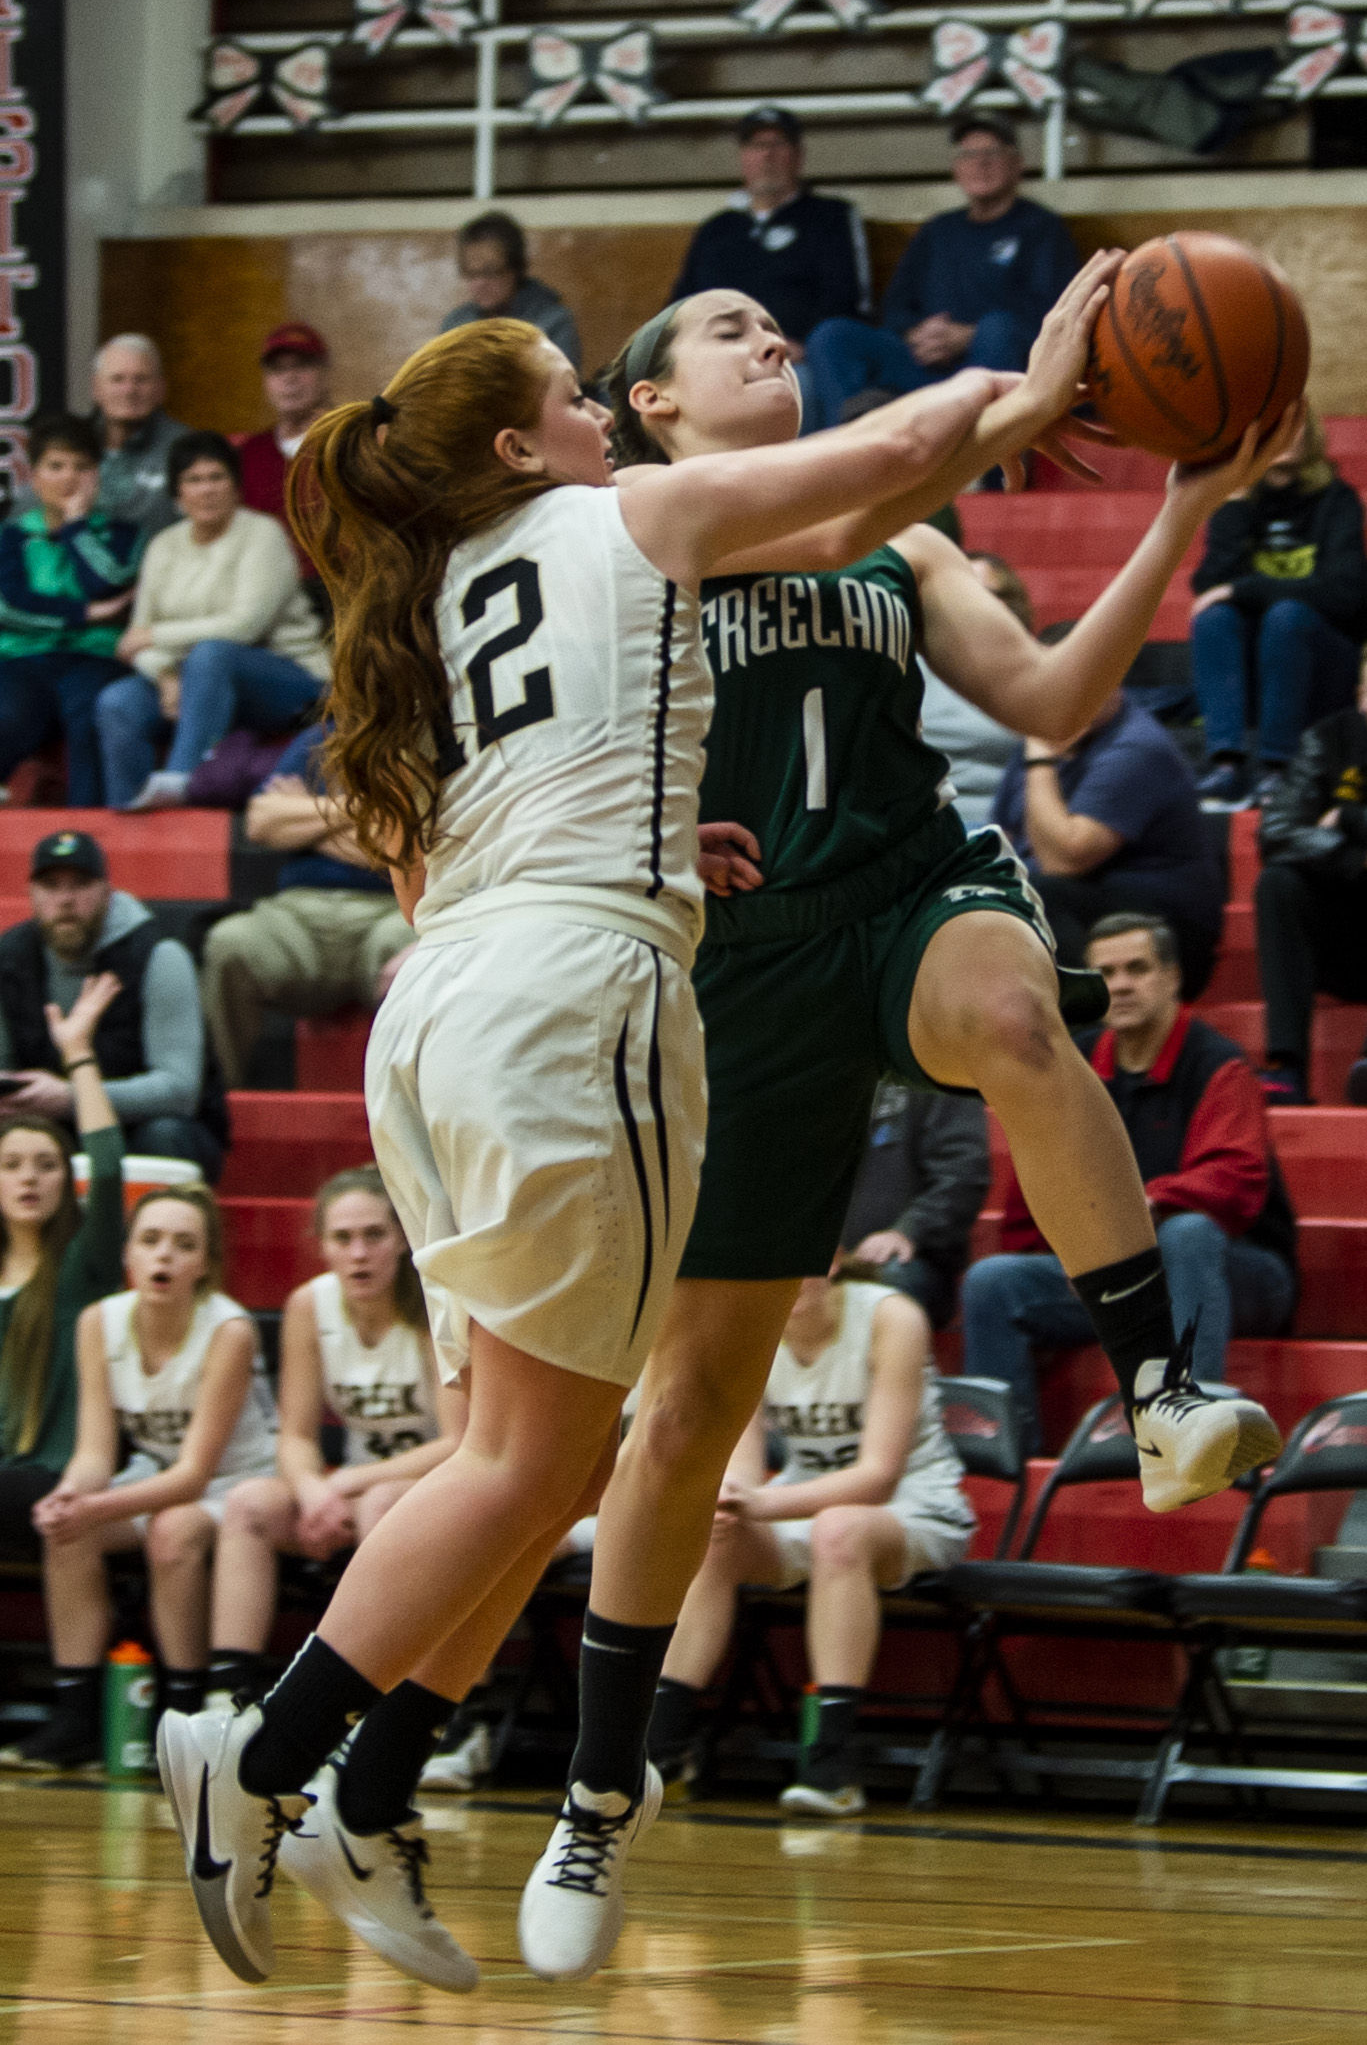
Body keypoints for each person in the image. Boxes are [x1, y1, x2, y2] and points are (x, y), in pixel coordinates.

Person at [153, 307, 1024, 1994]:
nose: (597, 419)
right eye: (570, 397)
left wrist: (650, 836)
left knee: (532, 1457)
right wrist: (1036, 385)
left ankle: (367, 1793)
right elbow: (868, 490)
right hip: (572, 1009)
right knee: (526, 1463)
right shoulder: (600, 518)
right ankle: (264, 1756)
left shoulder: (421, 601)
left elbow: (441, 853)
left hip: (442, 1020)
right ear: (518, 442)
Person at [511, 284, 1295, 1986]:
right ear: (648, 407)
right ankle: (595, 1781)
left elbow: (1044, 703)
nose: (764, 335)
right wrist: (1042, 388)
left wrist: (1180, 503)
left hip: (904, 888)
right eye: (723, 326)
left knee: (1016, 1014)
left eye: (775, 321)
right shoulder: (633, 531)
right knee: (691, 1416)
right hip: (741, 964)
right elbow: (892, 462)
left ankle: (1162, 1391)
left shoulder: (900, 543)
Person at [960, 913, 1298, 1455]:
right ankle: (1004, 1462)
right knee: (993, 1282)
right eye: (1105, 973)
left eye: (1136, 969)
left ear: (1172, 978)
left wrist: (1143, 1207)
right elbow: (1036, 1189)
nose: (1119, 984)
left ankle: (1190, 1436)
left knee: (1186, 1234)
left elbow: (1234, 1180)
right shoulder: (1071, 1069)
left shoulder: (1219, 1065)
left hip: (1236, 1270)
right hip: (1118, 1277)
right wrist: (1078, 1253)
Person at [648, 1270, 974, 1815]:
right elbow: (744, 1465)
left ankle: (830, 1766)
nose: (794, 1278)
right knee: (715, 1534)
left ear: (834, 1261)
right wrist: (732, 1498)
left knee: (839, 1530)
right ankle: (661, 1755)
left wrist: (761, 1504)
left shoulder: (891, 1317)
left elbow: (878, 1477)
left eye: (808, 1264)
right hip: (804, 1501)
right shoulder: (748, 1322)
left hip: (914, 1505)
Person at [0, 1183, 277, 1770]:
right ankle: (75, 1712)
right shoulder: (99, 1321)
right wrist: (73, 1494)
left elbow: (195, 1475)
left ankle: (181, 1713)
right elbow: (96, 1450)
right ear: (128, 1253)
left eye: (184, 1245)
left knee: (172, 1531)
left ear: (204, 1264)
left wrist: (95, 1507)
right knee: (65, 1528)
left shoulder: (229, 1330)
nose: (165, 1257)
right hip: (156, 1472)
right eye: (150, 1241)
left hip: (239, 1481)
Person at [206, 1167, 466, 1708]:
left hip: (428, 1488)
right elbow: (296, 1437)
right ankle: (228, 1695)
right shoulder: (309, 1305)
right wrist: (314, 1493)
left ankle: (388, 1699)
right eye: (342, 1238)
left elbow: (458, 1443)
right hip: (347, 1493)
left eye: (374, 1235)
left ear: (401, 1239)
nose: (359, 1253)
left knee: (383, 1504)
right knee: (249, 1504)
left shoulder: (432, 1303)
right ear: (322, 1246)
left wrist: (345, 1481)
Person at [95, 431, 330, 811]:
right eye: (193, 480)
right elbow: (133, 641)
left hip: (289, 680)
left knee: (212, 654)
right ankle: (123, 824)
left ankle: (182, 785)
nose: (206, 490)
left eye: (217, 477)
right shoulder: (164, 545)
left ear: (236, 487)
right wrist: (166, 677)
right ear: (177, 494)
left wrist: (157, 636)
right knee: (117, 700)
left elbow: (243, 627)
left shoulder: (263, 534)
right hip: (193, 681)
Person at [804, 114, 1078, 432]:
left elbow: (1052, 312)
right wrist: (917, 334)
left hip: (993, 366)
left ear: (1017, 164)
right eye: (968, 155)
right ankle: (852, 452)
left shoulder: (1042, 228)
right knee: (832, 336)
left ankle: (985, 460)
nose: (980, 164)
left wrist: (968, 335)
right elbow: (895, 305)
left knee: (997, 329)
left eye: (992, 153)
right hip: (924, 362)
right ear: (956, 169)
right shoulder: (938, 230)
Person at [0, 831, 229, 1180]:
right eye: (51, 886)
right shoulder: (8, 959)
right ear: (31, 895)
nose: (65, 900)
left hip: (139, 1128)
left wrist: (70, 1097)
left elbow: (179, 1091)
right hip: (46, 1131)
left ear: (108, 892)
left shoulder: (160, 956)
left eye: (80, 884)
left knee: (164, 1133)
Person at [200, 721, 413, 1088]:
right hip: (297, 916)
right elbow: (261, 821)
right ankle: (221, 1105)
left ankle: (418, 1117)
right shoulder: (323, 738)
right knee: (230, 942)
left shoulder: (426, 740)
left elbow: (405, 848)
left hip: (389, 911)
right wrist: (367, 811)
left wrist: (304, 812)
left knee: (416, 958)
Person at [0, 974, 127, 1561]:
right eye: (13, 1165)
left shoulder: (85, 1265)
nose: (29, 1178)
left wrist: (78, 1054)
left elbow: (105, 1167)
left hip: (55, 1479)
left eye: (46, 1165)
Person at [990, 687, 1223, 999]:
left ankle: (1089, 1023)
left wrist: (1041, 760)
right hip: (1089, 908)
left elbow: (1064, 860)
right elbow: (1002, 839)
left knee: (1039, 895)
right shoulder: (1040, 738)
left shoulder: (1136, 748)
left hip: (1168, 935)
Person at [1191, 407, 1367, 810]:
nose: (1285, 436)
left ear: (1310, 433)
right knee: (1214, 616)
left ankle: (1278, 768)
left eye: (1294, 425)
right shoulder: (1237, 502)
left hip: (1322, 665)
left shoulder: (1337, 501)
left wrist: (1244, 589)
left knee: (1287, 616)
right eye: (1272, 427)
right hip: (1258, 669)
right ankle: (1227, 766)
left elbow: (1346, 593)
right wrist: (1234, 501)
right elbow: (1210, 585)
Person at [669, 108, 870, 420]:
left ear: (798, 155)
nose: (767, 155)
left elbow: (848, 301)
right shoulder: (715, 229)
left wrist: (797, 347)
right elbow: (681, 305)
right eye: (756, 146)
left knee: (792, 390)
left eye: (778, 144)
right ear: (743, 157)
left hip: (795, 359)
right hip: (719, 360)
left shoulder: (832, 217)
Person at [0, 413, 144, 804]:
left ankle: (86, 834)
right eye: (56, 466)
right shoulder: (11, 536)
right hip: (23, 661)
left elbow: (108, 582)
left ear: (97, 474)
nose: (68, 478)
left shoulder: (124, 535)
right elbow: (9, 607)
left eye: (81, 467)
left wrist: (77, 525)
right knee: (7, 716)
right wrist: (85, 614)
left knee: (91, 714)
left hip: (94, 657)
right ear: (34, 476)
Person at [1255, 653, 1367, 1104]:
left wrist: (1351, 817)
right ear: (1361, 693)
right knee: (1278, 884)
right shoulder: (1327, 739)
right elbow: (1278, 833)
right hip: (1342, 940)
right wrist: (1353, 860)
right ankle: (1287, 1069)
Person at [841, 1079, 990, 1336]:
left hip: (913, 1262)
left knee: (889, 1279)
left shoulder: (938, 1067)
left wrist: (908, 1231)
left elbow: (963, 1170)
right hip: (825, 1264)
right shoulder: (815, 1074)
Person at [9, 336, 190, 537]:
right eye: (117, 379)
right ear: (96, 388)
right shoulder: (69, 440)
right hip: (65, 561)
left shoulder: (186, 447)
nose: (129, 390)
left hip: (154, 562)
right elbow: (20, 520)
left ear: (160, 388)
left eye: (141, 379)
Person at [919, 552, 1030, 829]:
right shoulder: (906, 667)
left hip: (1011, 828)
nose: (967, 605)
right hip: (925, 824)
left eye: (981, 593)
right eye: (954, 593)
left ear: (1011, 604)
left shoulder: (1030, 670)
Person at [237, 323, 333, 591]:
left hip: (333, 591)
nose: (289, 378)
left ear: (325, 372)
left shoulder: (348, 441)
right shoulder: (250, 452)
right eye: (278, 369)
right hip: (259, 590)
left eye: (302, 366)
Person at [440, 213, 581, 368]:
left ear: (517, 269)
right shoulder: (456, 324)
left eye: (490, 272)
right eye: (471, 273)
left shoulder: (553, 322)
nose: (479, 283)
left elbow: (565, 387)